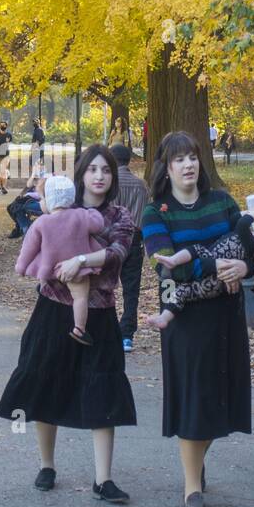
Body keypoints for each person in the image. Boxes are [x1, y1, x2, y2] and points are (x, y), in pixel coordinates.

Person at [0, 145, 137, 504]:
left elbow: (117, 254)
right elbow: (37, 246)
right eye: (93, 170)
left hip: (100, 312)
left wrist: (80, 259)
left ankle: (103, 479)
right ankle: (47, 465)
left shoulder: (120, 216)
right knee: (46, 380)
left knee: (103, 388)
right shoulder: (61, 209)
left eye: (106, 170)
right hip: (54, 308)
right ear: (82, 174)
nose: (100, 176)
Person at [141, 131, 254, 507]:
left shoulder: (222, 201)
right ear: (166, 168)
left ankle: (196, 462)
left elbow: (249, 242)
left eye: (193, 157)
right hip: (184, 316)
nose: (188, 165)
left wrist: (244, 266)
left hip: (226, 312)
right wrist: (219, 263)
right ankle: (192, 487)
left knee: (221, 398)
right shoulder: (156, 212)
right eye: (179, 160)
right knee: (194, 400)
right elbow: (167, 265)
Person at [15, 175, 106, 345]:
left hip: (50, 268)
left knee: (45, 279)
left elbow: (29, 248)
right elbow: (98, 224)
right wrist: (91, 210)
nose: (40, 202)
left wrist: (21, 267)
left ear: (50, 200)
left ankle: (43, 285)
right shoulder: (80, 215)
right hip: (77, 270)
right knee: (80, 298)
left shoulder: (42, 222)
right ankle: (79, 329)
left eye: (42, 198)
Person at [145, 223, 254, 330]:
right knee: (183, 291)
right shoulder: (253, 262)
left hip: (212, 261)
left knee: (197, 249)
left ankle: (173, 260)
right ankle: (164, 317)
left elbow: (242, 225)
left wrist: (252, 216)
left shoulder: (251, 244)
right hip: (216, 286)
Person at [110, 144, 148, 352]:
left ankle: (107, 328)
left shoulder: (110, 185)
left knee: (105, 285)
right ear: (129, 161)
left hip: (113, 239)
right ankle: (127, 334)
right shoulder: (141, 185)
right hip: (135, 239)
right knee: (131, 290)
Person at [0, 120, 13, 194]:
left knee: (4, 171)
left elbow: (9, 144)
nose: (2, 126)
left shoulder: (9, 135)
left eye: (4, 125)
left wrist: (7, 142)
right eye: (1, 125)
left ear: (6, 126)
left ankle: (4, 187)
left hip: (6, 155)